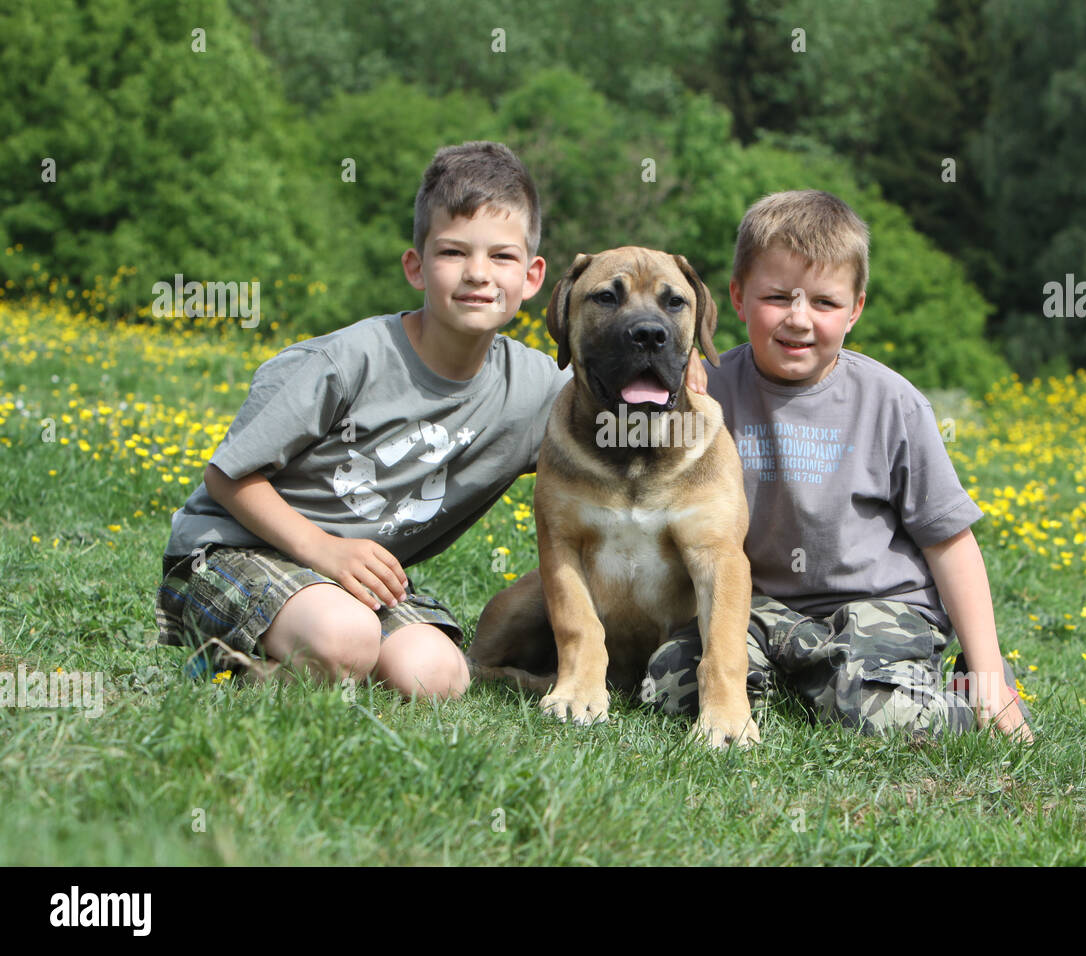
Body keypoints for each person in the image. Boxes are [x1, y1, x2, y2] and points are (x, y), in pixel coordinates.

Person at [154, 141, 566, 702]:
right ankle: (244, 652)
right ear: (416, 267)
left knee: (438, 678)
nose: (477, 274)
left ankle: (256, 670)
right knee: (344, 639)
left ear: (533, 276)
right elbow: (226, 477)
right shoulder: (345, 362)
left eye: (502, 256)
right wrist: (325, 551)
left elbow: (618, 413)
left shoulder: (536, 390)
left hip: (352, 584)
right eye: (452, 253)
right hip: (232, 552)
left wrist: (678, 358)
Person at [643, 190, 1033, 742]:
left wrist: (989, 676)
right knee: (671, 686)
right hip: (754, 608)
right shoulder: (709, 392)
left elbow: (950, 542)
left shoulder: (891, 403)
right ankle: (813, 681)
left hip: (878, 605)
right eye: (777, 297)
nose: (798, 319)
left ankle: (950, 695)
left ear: (855, 310)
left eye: (824, 303)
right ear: (736, 297)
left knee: (879, 717)